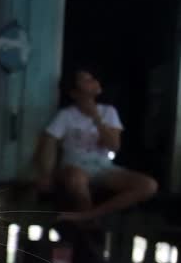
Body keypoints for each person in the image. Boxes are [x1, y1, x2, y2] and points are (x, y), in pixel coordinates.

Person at [34, 66, 158, 222]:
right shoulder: (66, 115)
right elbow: (49, 142)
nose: (94, 82)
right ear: (75, 93)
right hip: (74, 166)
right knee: (76, 179)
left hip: (104, 167)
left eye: (92, 78)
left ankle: (90, 215)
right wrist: (46, 175)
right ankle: (87, 224)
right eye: (86, 80)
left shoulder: (109, 112)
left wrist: (96, 118)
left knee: (148, 185)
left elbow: (114, 146)